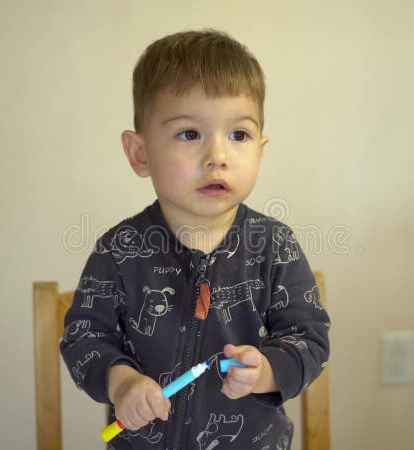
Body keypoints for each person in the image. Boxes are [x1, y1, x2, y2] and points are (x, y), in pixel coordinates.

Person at [60, 29, 330, 450]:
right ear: (140, 154)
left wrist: (267, 370)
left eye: (238, 135)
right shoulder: (119, 250)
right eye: (189, 134)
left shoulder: (274, 245)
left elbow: (309, 338)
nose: (217, 155)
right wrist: (122, 382)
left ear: (260, 149)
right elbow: (84, 338)